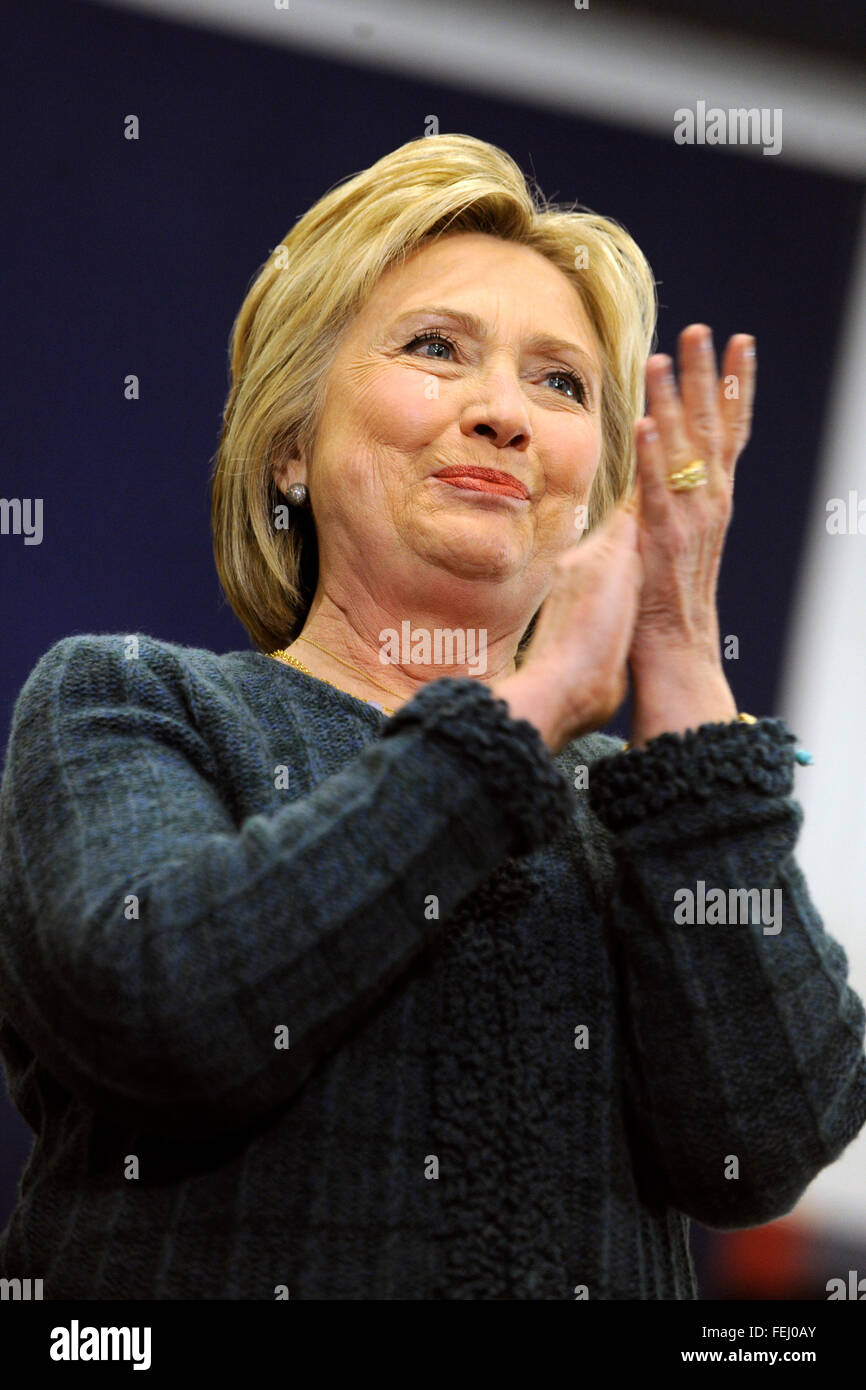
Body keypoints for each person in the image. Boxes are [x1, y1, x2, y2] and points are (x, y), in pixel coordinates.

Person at [0, 133, 863, 1300]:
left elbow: (760, 1148)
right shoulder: (132, 701)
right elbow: (160, 1010)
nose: (504, 413)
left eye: (560, 382)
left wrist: (675, 654)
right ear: (291, 446)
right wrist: (534, 705)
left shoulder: (642, 814)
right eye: (436, 349)